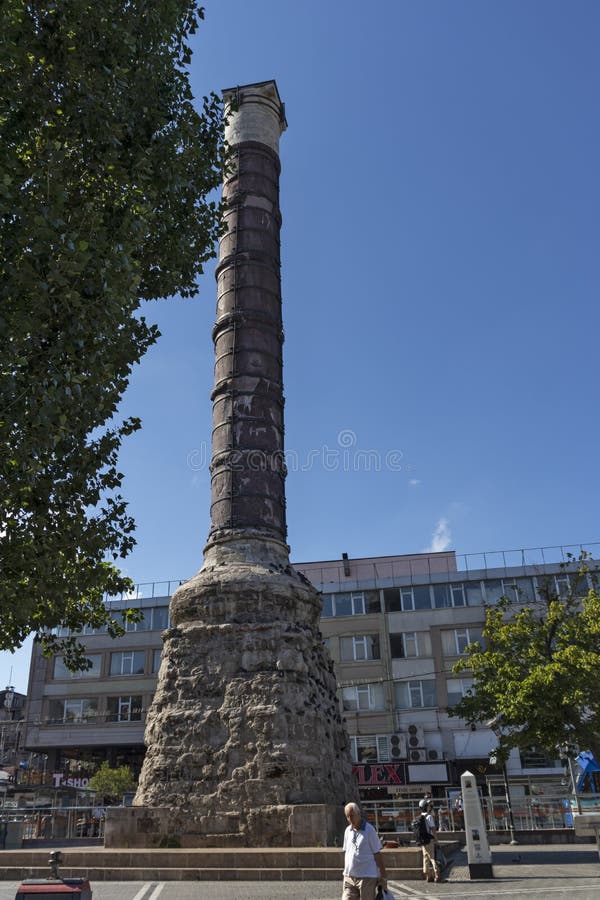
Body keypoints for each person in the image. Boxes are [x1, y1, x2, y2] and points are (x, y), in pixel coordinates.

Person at [342, 802, 388, 900]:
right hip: (349, 876)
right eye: (347, 817)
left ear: (358, 814)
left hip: (367, 877)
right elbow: (347, 852)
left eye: (351, 816)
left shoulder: (369, 830)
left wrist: (383, 877)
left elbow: (377, 854)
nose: (350, 819)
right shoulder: (347, 831)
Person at [418, 798, 443, 883]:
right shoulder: (429, 817)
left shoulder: (420, 816)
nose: (430, 807)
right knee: (432, 857)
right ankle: (437, 874)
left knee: (425, 857)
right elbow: (433, 829)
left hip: (422, 841)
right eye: (428, 806)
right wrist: (436, 840)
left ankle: (428, 876)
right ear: (426, 807)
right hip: (429, 839)